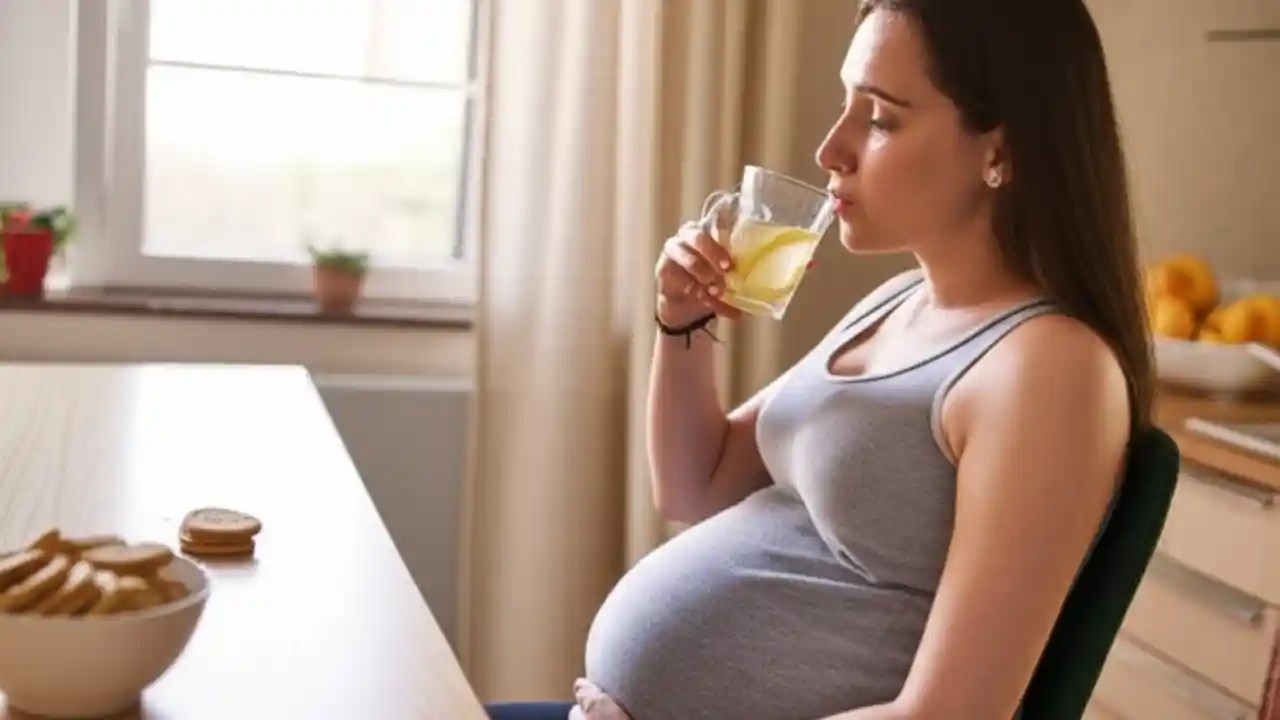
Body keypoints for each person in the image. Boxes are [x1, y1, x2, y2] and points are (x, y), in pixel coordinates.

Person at [490, 0, 1149, 717]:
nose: (830, 149)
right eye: (846, 104)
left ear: (1001, 151)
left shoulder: (1048, 371)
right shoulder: (897, 302)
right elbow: (694, 486)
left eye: (880, 118)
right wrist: (682, 323)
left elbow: (950, 715)